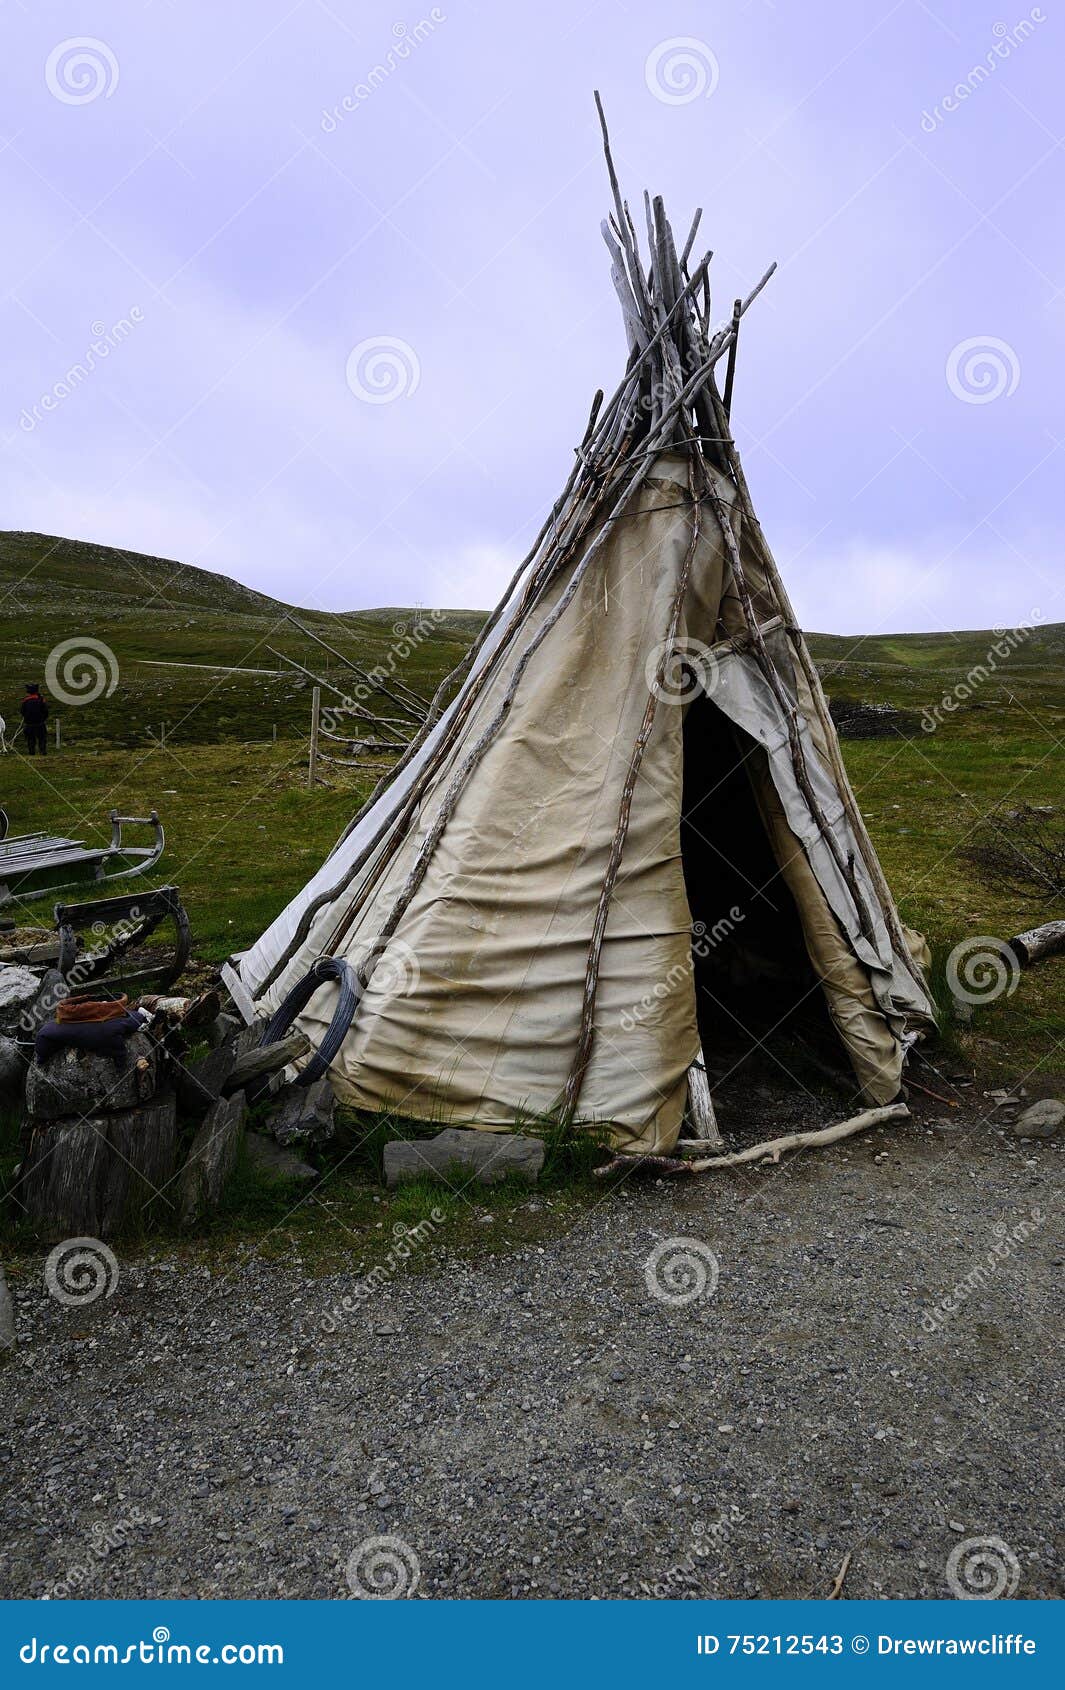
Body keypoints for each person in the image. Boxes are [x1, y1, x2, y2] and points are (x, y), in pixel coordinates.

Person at [20, 683, 49, 755]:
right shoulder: (41, 699)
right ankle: (43, 751)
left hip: (29, 724)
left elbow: (22, 711)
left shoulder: (25, 701)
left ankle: (31, 752)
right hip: (40, 723)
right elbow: (45, 711)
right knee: (42, 738)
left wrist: (26, 718)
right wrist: (43, 719)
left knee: (30, 739)